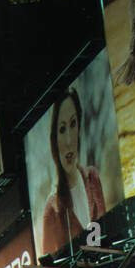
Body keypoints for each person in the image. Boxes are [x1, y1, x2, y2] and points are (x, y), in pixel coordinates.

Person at [40, 87, 106, 256]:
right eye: (62, 130)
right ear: (54, 139)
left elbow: (106, 233)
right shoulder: (52, 208)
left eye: (73, 124)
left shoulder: (92, 178)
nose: (68, 140)